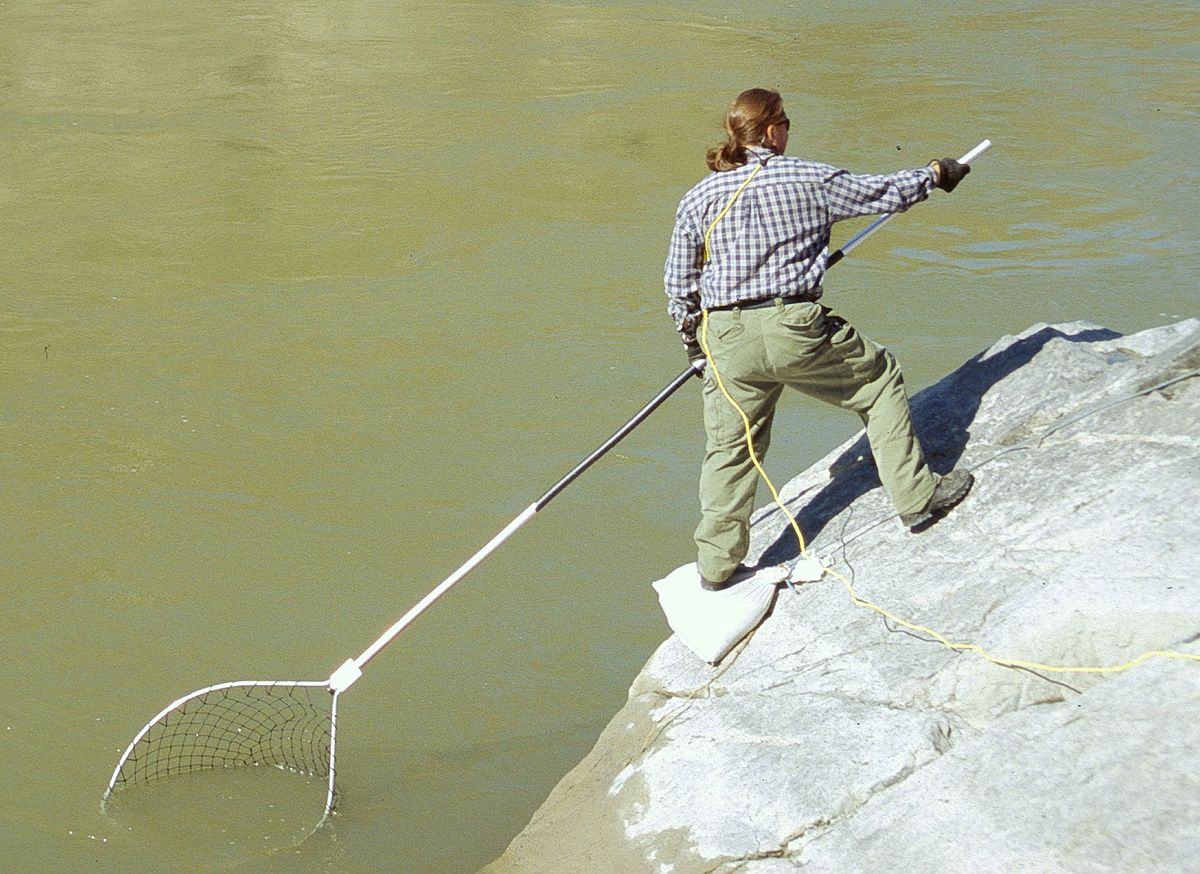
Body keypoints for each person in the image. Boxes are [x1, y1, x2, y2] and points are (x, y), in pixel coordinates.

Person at [663, 87, 974, 592]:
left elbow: (679, 286)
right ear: (770, 131)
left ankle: (717, 566)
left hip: (724, 338)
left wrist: (696, 348)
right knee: (878, 383)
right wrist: (937, 175)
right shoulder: (810, 178)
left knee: (730, 446)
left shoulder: (699, 196)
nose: (788, 131)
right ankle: (917, 499)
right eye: (785, 122)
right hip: (794, 326)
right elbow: (885, 193)